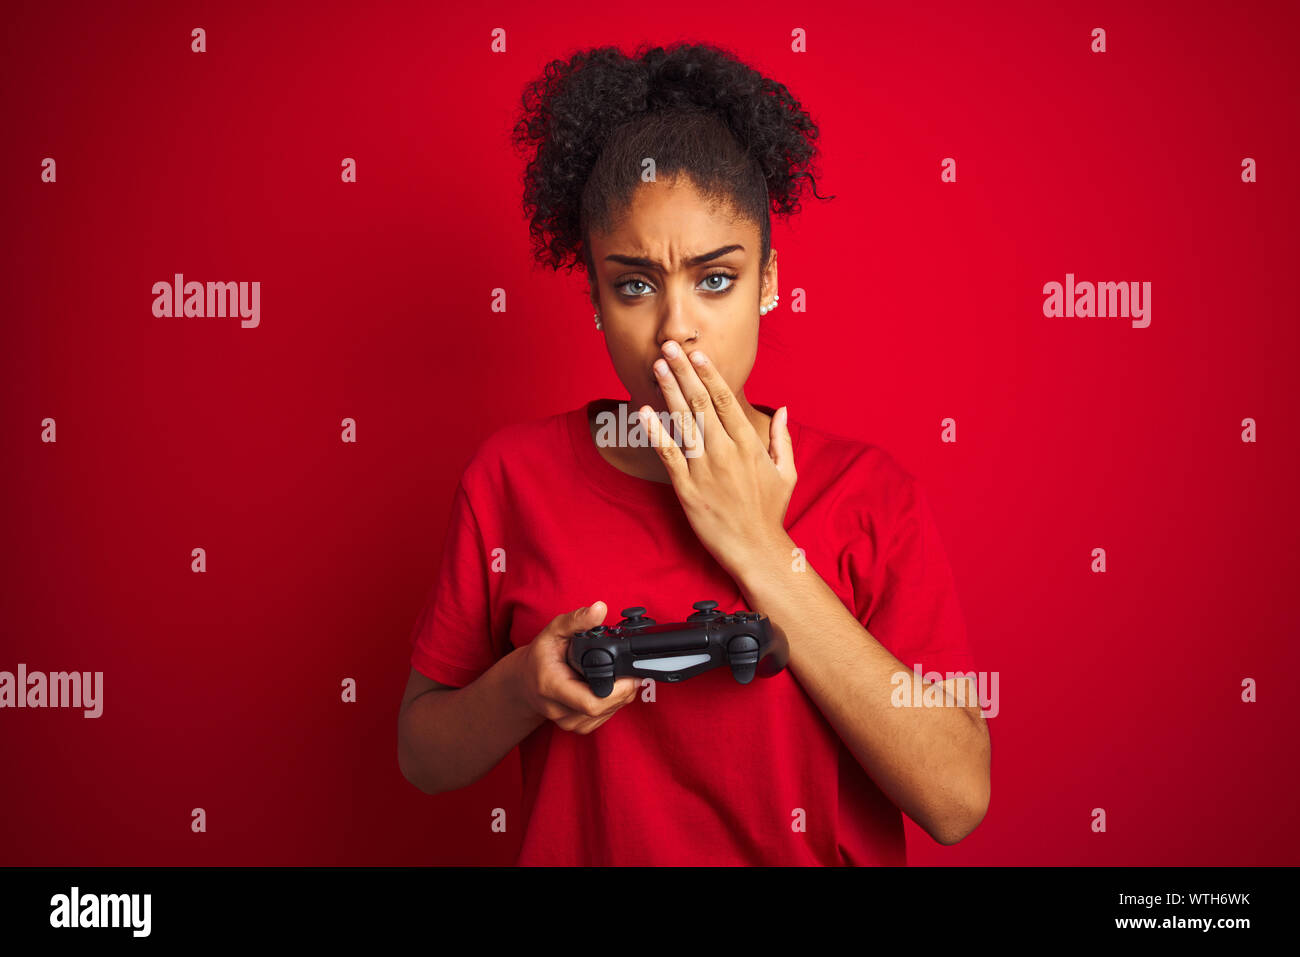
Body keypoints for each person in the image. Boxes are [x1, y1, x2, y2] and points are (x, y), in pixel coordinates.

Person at [397, 41, 991, 866]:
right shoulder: (512, 479)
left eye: (715, 279)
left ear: (770, 282)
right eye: (634, 284)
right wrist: (524, 686)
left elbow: (958, 799)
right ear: (595, 299)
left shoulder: (870, 494)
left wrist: (757, 545)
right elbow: (423, 754)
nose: (676, 327)